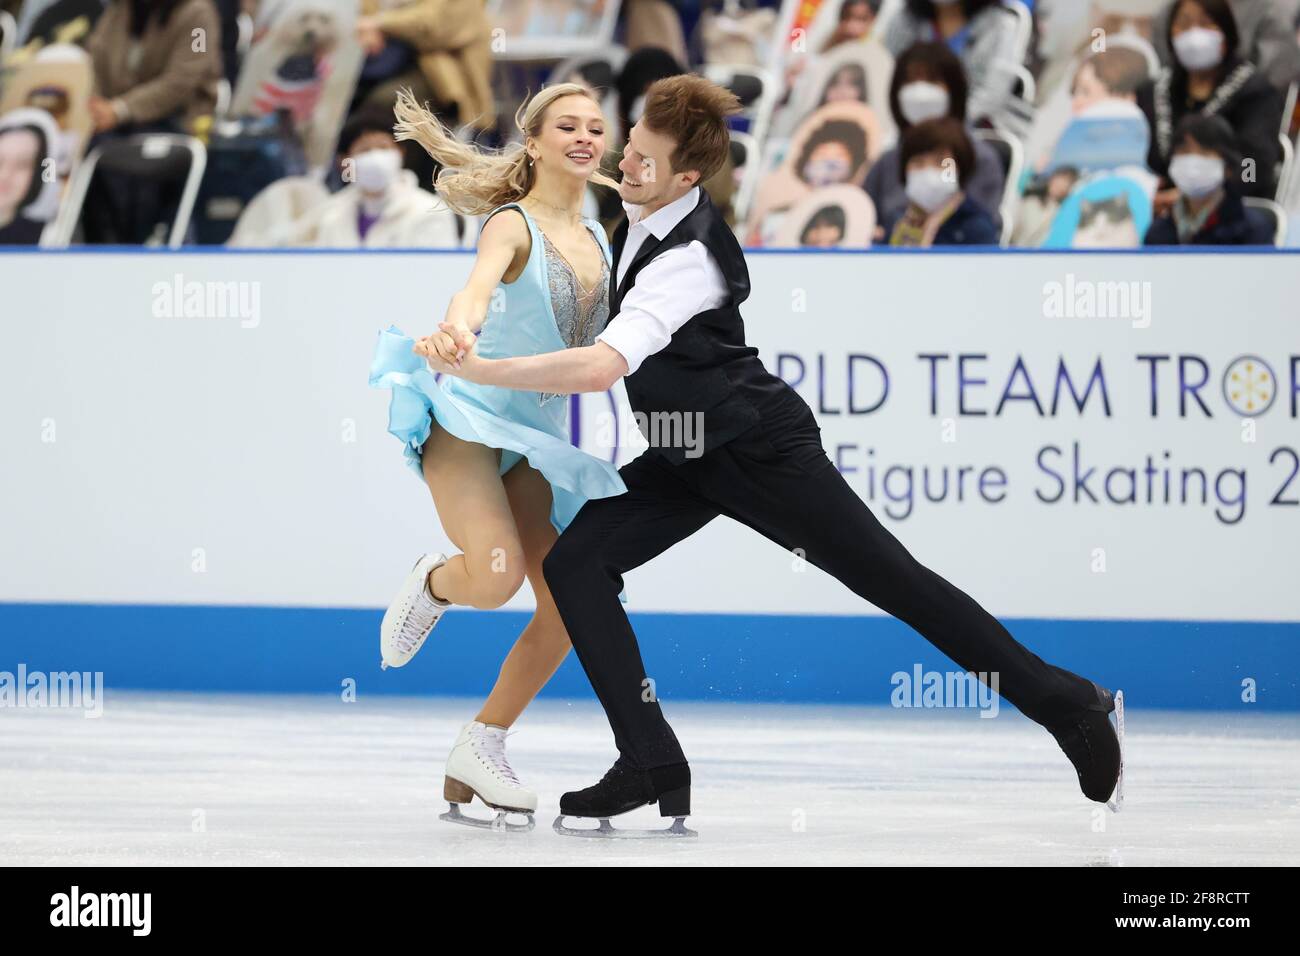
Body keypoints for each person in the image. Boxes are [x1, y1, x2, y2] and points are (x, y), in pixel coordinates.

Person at [427, 74, 1123, 835]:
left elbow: (600, 366)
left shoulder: (689, 258)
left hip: (757, 447)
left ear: (686, 179)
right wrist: (701, 99)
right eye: (628, 149)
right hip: (687, 451)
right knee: (575, 564)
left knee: (898, 583)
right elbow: (649, 139)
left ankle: (1072, 707)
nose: (623, 165)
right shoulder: (647, 199)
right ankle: (650, 761)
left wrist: (483, 370)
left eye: (643, 161)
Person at [366, 82, 627, 829]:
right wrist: (456, 333)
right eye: (566, 126)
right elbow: (474, 294)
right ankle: (438, 583)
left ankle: (482, 743)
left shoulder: (602, 236)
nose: (583, 137)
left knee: (572, 603)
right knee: (496, 578)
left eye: (594, 127)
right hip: (469, 421)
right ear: (536, 142)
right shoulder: (510, 225)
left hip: (537, 440)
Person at [1137, 0, 1285, 204]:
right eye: (1184, 24)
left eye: (1206, 24)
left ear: (1226, 32)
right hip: (1160, 215)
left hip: (1233, 210)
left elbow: (1254, 168)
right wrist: (1146, 192)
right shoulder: (1152, 92)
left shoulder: (1255, 92)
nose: (1194, 34)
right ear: (1170, 33)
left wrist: (1204, 197)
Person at [864, 41, 1006, 233]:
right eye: (910, 82)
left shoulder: (980, 158)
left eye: (932, 81)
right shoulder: (886, 162)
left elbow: (981, 233)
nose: (920, 93)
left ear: (954, 89)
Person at [285, 107, 459, 247]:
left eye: (383, 148)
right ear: (344, 161)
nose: (375, 157)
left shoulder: (430, 211)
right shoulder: (332, 216)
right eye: (365, 150)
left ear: (400, 152)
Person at [1144, 113, 1276, 244]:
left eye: (1204, 152)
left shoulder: (1253, 231)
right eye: (1184, 151)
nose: (1192, 161)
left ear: (1227, 167)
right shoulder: (1157, 233)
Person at [881, 0, 1020, 124]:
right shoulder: (906, 17)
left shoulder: (999, 25)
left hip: (964, 131)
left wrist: (946, 125)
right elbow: (885, 71)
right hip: (898, 122)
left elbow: (991, 96)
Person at [882, 116, 1000, 245]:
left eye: (941, 162)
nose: (928, 171)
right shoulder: (896, 220)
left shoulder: (975, 227)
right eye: (918, 163)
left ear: (960, 167)